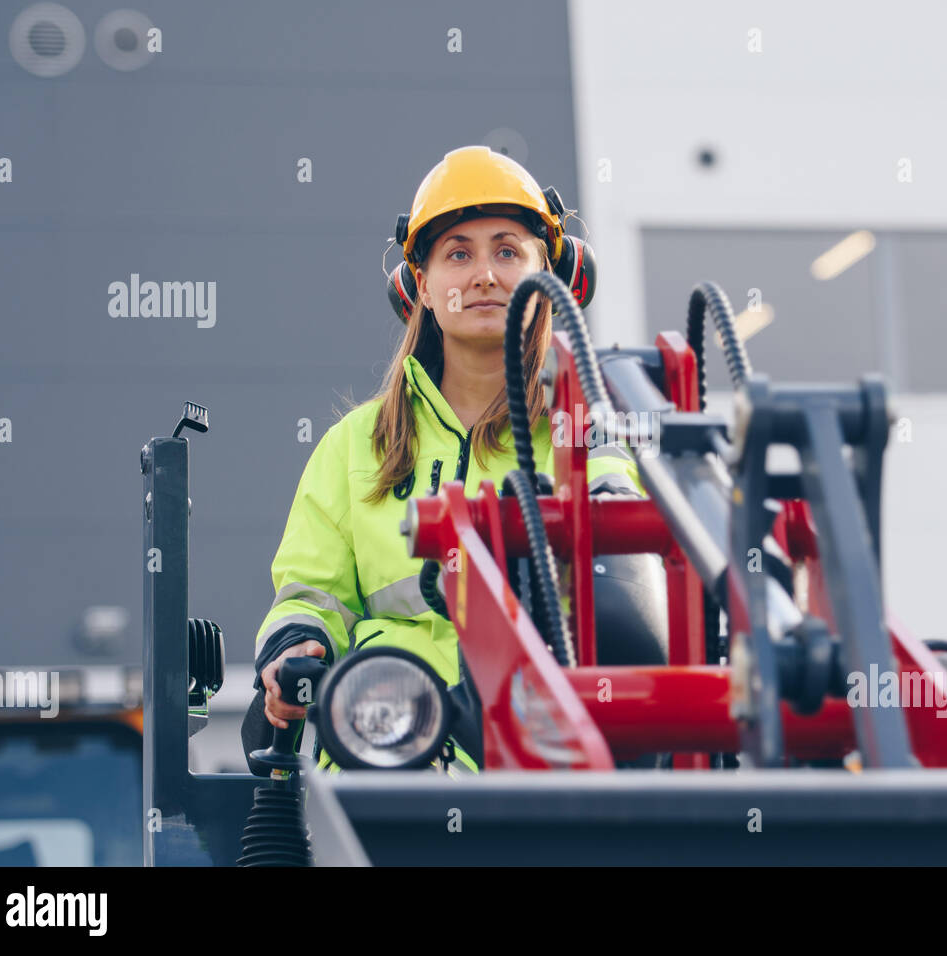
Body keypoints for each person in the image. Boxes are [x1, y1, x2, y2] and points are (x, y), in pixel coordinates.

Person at [248, 146, 649, 775]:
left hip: (551, 778)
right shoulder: (353, 447)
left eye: (508, 251)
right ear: (421, 288)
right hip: (383, 774)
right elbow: (310, 595)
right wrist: (298, 642)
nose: (485, 275)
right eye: (458, 253)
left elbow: (625, 537)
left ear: (553, 278)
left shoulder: (592, 431)